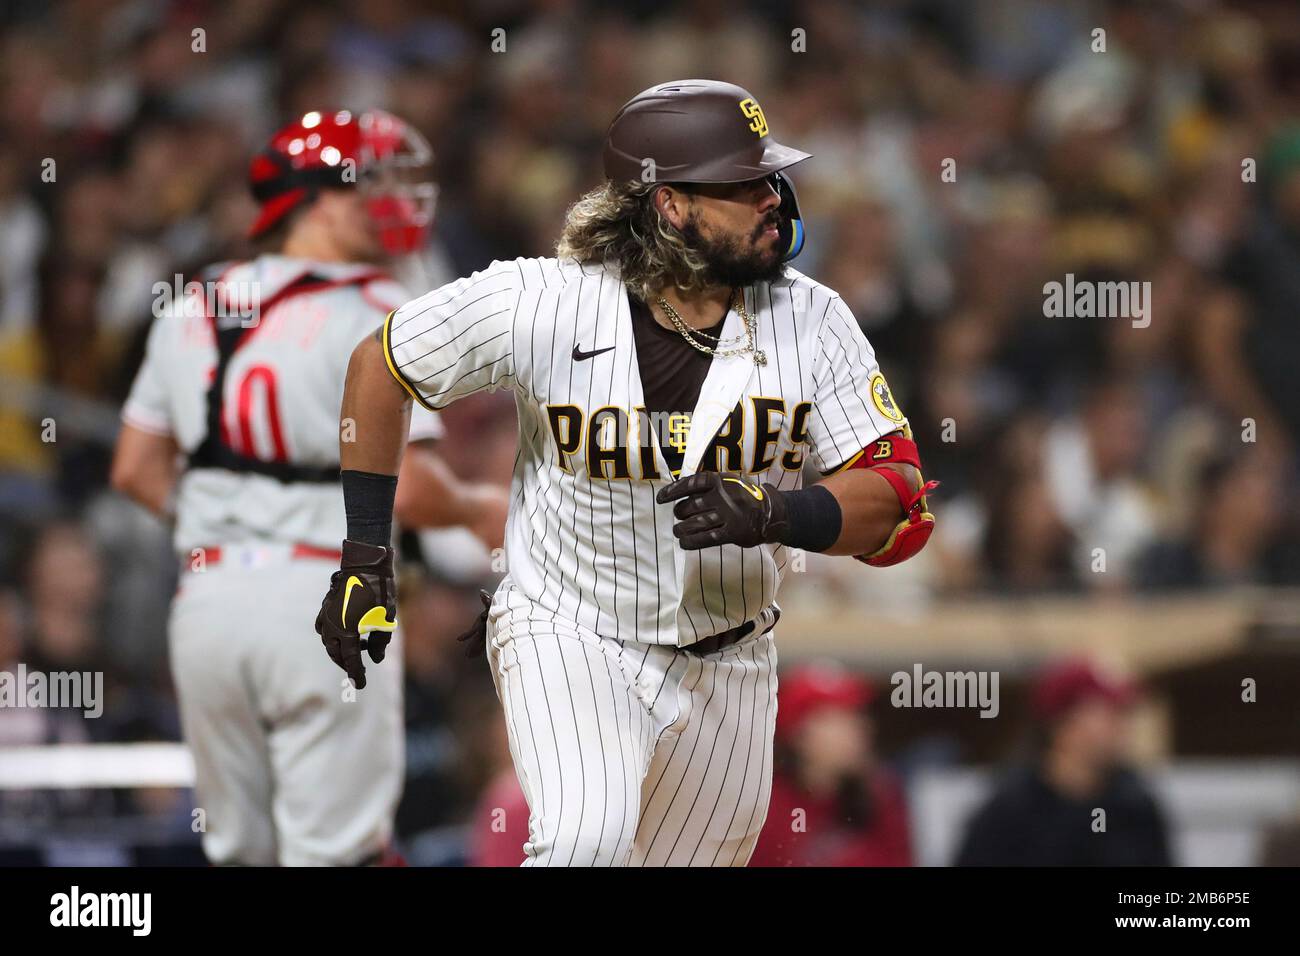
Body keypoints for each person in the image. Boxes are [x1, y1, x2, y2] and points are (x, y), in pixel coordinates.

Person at [316, 80, 938, 867]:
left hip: (733, 658)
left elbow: (900, 498)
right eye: (741, 185)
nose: (771, 198)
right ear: (670, 206)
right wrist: (367, 552)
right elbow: (381, 363)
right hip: (573, 628)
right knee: (585, 845)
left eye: (769, 176)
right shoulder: (545, 300)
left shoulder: (815, 319)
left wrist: (784, 514)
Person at [112, 109, 507, 866]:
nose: (395, 201)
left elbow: (135, 468)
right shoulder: (375, 309)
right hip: (326, 596)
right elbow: (415, 490)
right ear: (320, 200)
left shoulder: (194, 302)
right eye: (374, 183)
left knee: (240, 853)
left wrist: (226, 527)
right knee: (339, 853)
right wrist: (479, 509)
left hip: (208, 601)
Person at [954, 657, 1172, 866]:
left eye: (1123, 714)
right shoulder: (1010, 813)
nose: (1122, 727)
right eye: (1109, 714)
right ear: (1061, 722)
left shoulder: (1135, 808)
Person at [749, 663, 912, 867]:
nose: (858, 730)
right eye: (839, 718)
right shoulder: (764, 805)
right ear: (799, 733)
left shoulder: (881, 797)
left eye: (856, 716)